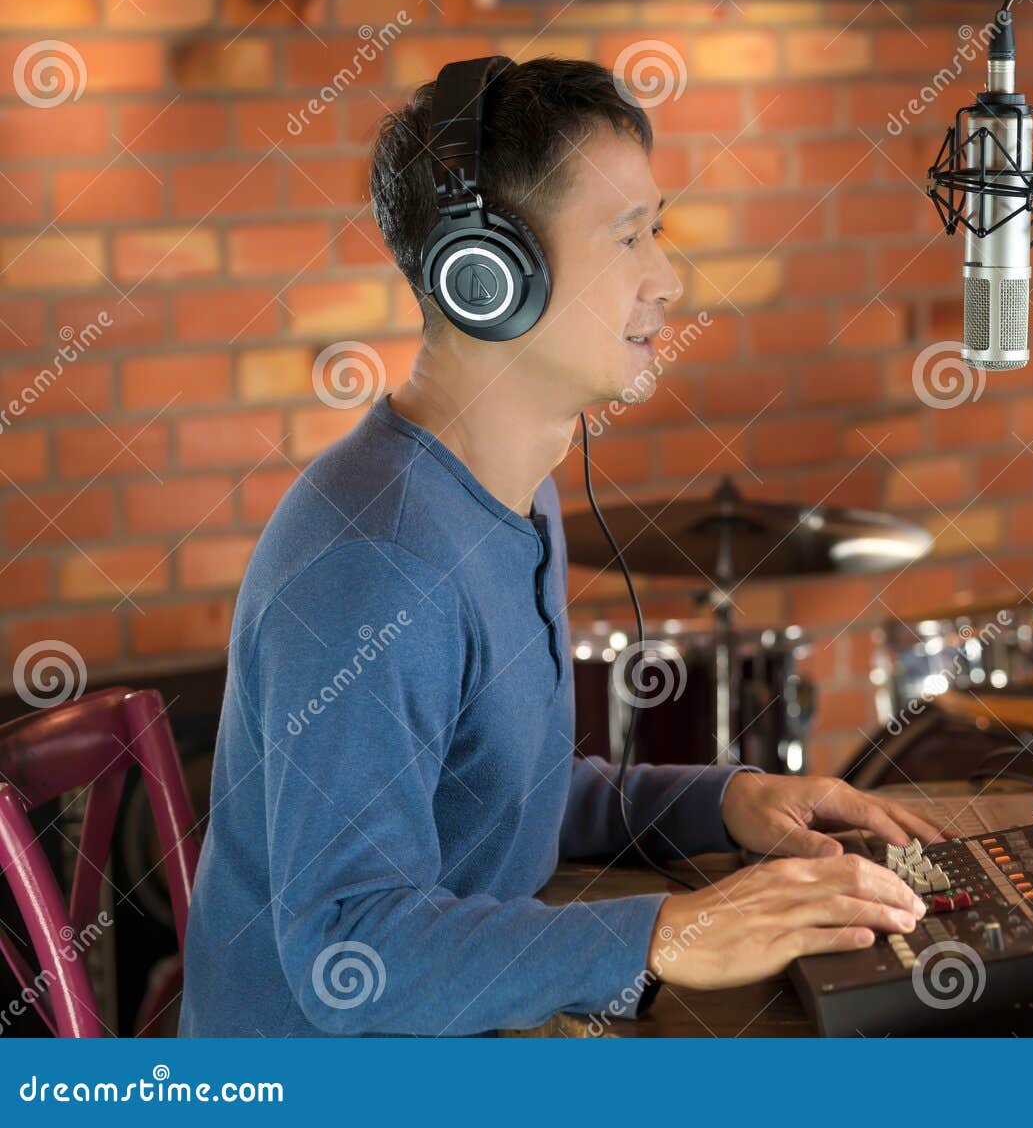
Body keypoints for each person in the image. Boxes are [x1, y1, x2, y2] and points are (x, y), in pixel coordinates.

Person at [179, 57, 944, 1037]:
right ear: (487, 277)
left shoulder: (512, 493)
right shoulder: (378, 561)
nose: (666, 279)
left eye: (655, 230)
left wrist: (732, 800)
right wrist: (664, 934)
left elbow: (503, 797)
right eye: (627, 237)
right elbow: (347, 948)